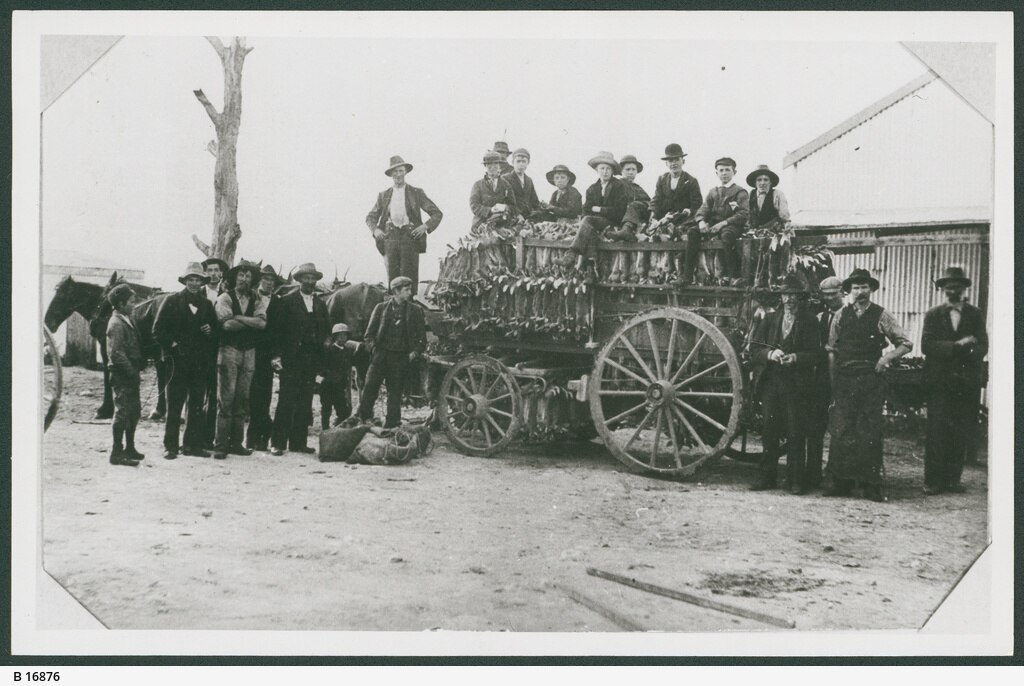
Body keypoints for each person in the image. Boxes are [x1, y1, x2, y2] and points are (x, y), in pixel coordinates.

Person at [826, 268, 913, 501]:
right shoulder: (840, 316)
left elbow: (906, 344)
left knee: (869, 431)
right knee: (842, 430)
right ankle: (841, 482)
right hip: (845, 380)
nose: (860, 291)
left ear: (871, 289)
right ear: (849, 291)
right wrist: (834, 382)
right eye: (855, 287)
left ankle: (870, 484)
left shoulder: (882, 315)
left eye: (864, 287)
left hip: (870, 381)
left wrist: (885, 359)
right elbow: (831, 349)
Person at [748, 274, 821, 493]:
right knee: (769, 430)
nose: (789, 299)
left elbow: (815, 355)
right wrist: (770, 354)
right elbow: (754, 349)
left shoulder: (810, 321)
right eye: (785, 295)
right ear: (780, 297)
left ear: (801, 298)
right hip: (772, 382)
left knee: (795, 431)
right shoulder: (770, 320)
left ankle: (795, 480)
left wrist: (796, 357)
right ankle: (767, 477)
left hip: (797, 385)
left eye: (794, 295)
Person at [921, 266, 988, 495]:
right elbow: (927, 345)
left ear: (964, 289)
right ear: (943, 289)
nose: (953, 291)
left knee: (959, 430)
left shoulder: (975, 314)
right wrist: (957, 346)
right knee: (937, 431)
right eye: (949, 287)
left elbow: (982, 345)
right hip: (939, 382)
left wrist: (969, 352)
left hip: (965, 383)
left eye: (957, 287)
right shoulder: (933, 314)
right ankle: (933, 481)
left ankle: (952, 480)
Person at [153, 262, 218, 460]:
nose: (194, 283)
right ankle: (170, 446)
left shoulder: (206, 305)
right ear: (185, 281)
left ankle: (192, 445)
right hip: (176, 362)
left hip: (198, 364)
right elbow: (157, 330)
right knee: (174, 405)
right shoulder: (172, 301)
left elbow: (216, 333)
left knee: (196, 405)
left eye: (198, 280)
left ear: (202, 282)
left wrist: (210, 331)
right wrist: (172, 344)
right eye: (191, 279)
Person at [270, 263, 331, 455]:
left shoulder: (320, 304)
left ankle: (298, 443)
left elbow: (326, 331)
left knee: (305, 401)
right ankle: (278, 443)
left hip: (311, 359)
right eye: (306, 278)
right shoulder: (286, 301)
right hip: (292, 358)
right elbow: (277, 332)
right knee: (286, 399)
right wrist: (277, 356)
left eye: (313, 278)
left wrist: (324, 348)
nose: (310, 281)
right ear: (299, 280)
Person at [365, 155, 444, 296]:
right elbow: (370, 217)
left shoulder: (416, 193)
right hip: (390, 238)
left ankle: (410, 307)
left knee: (409, 278)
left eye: (401, 171)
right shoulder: (383, 195)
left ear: (406, 172)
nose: (398, 175)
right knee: (393, 279)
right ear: (391, 174)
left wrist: (424, 227)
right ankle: (393, 307)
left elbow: (437, 213)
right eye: (395, 172)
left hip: (410, 238)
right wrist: (375, 230)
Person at [212, 259, 267, 460]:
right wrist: (250, 322)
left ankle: (236, 443)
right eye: (241, 275)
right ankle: (220, 445)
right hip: (229, 350)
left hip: (249, 352)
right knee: (226, 399)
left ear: (252, 279)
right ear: (235, 277)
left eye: (248, 275)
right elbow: (226, 325)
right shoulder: (225, 297)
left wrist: (239, 318)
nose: (244, 278)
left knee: (242, 399)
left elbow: (262, 324)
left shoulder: (256, 298)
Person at [356, 276, 427, 429]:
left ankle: (392, 423)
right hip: (380, 356)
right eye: (407, 290)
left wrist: (413, 354)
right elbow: (369, 335)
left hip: (400, 357)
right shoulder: (380, 308)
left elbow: (422, 339)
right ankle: (364, 418)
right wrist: (374, 350)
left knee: (395, 392)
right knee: (370, 387)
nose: (410, 293)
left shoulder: (415, 311)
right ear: (396, 291)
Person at [805, 275, 844, 488]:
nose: (829, 298)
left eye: (833, 294)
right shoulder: (820, 317)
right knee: (815, 425)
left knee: (840, 427)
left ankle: (836, 474)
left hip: (841, 374)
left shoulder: (847, 315)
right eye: (826, 295)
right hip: (820, 377)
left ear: (842, 293)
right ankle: (813, 473)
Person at [562, 151, 629, 270]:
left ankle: (572, 253)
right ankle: (591, 270)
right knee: (590, 228)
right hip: (596, 223)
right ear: (597, 170)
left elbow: (619, 211)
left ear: (612, 171)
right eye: (602, 168)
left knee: (589, 220)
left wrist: (599, 209)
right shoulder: (592, 189)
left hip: (613, 223)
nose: (605, 171)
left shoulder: (619, 186)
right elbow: (586, 210)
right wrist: (595, 211)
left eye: (608, 168)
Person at [692, 157, 749, 286]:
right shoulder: (713, 192)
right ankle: (687, 276)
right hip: (714, 226)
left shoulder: (740, 192)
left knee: (727, 235)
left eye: (727, 170)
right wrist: (701, 221)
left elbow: (743, 214)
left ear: (734, 172)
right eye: (721, 170)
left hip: (733, 225)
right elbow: (703, 209)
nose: (724, 173)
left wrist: (723, 223)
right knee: (692, 232)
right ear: (716, 173)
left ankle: (733, 276)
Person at [105, 283, 144, 467]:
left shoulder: (126, 319)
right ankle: (116, 452)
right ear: (120, 304)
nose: (134, 305)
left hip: (130, 373)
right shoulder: (116, 324)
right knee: (122, 412)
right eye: (131, 302)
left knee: (134, 411)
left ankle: (129, 448)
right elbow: (116, 354)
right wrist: (131, 371)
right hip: (122, 375)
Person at [246, 264, 284, 451]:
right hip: (249, 350)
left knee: (264, 396)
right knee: (251, 397)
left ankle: (260, 439)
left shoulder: (278, 302)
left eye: (272, 281)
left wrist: (276, 355)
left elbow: (279, 331)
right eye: (266, 279)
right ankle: (254, 437)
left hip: (267, 356)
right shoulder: (250, 297)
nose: (269, 283)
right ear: (259, 281)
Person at [745, 164, 792, 286]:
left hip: (773, 230)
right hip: (755, 232)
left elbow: (784, 216)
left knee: (777, 250)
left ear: (771, 182)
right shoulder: (750, 196)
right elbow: (747, 216)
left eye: (766, 180)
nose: (762, 183)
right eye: (759, 180)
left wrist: (785, 225)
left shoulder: (777, 194)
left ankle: (778, 278)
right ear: (755, 182)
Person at [201, 256, 229, 447]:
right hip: (198, 350)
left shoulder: (226, 295)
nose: (213, 274)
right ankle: (193, 438)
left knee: (214, 395)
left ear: (221, 273)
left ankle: (209, 437)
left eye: (216, 270)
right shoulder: (197, 292)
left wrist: (215, 331)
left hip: (219, 348)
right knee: (196, 394)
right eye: (209, 270)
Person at [319, 323, 361, 429]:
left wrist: (358, 350)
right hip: (328, 386)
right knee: (326, 409)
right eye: (340, 335)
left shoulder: (347, 351)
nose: (342, 338)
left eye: (345, 335)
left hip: (339, 387)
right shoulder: (329, 350)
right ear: (335, 337)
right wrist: (330, 375)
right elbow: (322, 367)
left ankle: (339, 429)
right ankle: (325, 429)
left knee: (343, 410)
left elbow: (352, 362)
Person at [651, 143, 702, 225]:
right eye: (670, 161)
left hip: (684, 219)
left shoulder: (691, 181)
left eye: (677, 159)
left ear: (683, 161)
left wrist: (688, 211)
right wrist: (653, 214)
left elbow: (697, 204)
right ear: (666, 164)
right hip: (664, 217)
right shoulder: (661, 179)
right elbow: (656, 200)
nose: (674, 163)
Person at [469, 151, 520, 232]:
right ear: (485, 166)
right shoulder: (478, 185)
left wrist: (505, 207)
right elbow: (474, 205)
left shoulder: (506, 185)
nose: (492, 167)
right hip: (481, 224)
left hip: (501, 225)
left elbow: (514, 206)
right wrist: (490, 210)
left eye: (495, 164)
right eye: (489, 164)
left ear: (500, 166)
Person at [501, 148, 541, 218]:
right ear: (513, 162)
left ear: (528, 163)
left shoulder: (529, 180)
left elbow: (535, 201)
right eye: (518, 161)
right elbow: (504, 201)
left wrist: (538, 211)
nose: (521, 164)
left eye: (524, 161)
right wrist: (517, 214)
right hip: (512, 216)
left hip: (528, 217)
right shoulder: (505, 178)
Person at [618, 154, 651, 221]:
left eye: (633, 169)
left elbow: (648, 203)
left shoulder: (638, 188)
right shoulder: (617, 185)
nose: (631, 172)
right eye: (627, 169)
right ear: (621, 171)